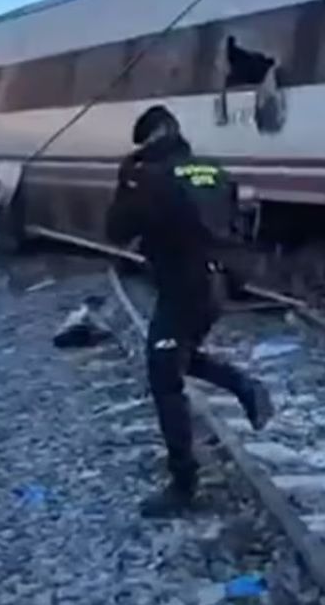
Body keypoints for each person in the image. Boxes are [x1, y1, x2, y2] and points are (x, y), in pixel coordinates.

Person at [106, 105, 274, 517]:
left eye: (144, 142)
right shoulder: (212, 170)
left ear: (154, 137)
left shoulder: (149, 178)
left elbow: (117, 231)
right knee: (175, 357)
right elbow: (233, 224)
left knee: (164, 379)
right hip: (215, 287)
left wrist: (125, 182)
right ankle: (243, 386)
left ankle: (184, 485)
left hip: (183, 287)